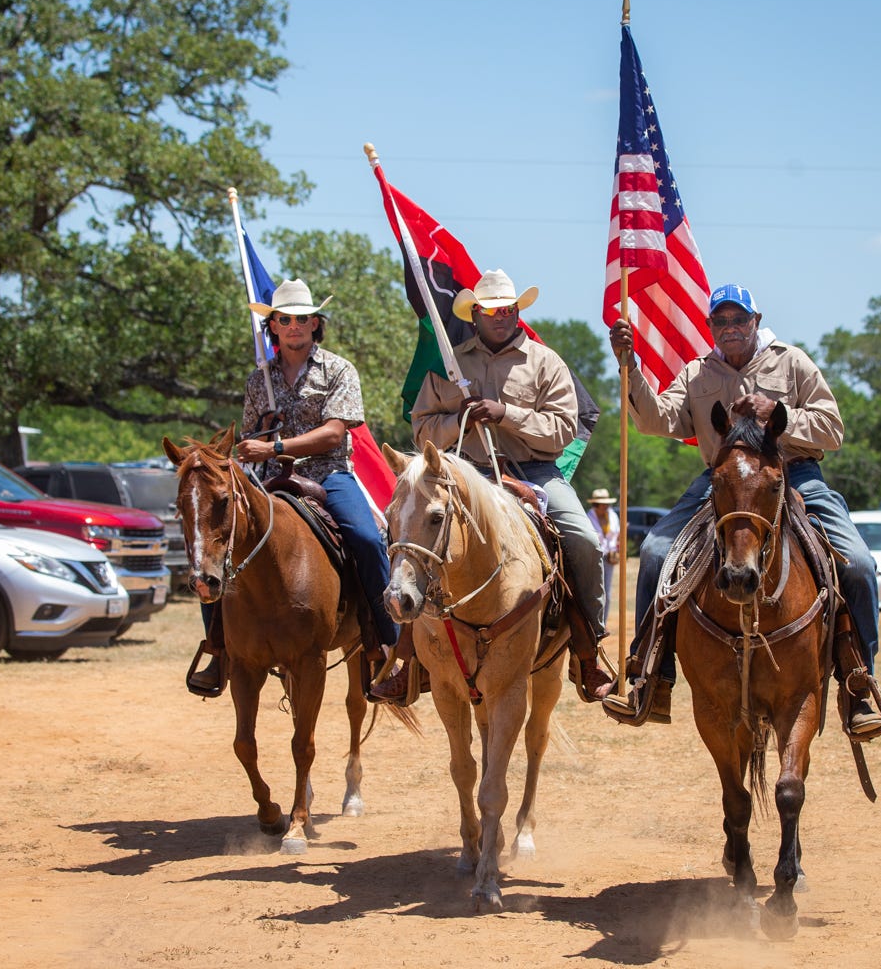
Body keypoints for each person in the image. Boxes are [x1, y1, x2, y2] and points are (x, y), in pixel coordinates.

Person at [608, 283, 881, 733]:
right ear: (710, 326)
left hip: (792, 475)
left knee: (858, 563)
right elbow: (658, 420)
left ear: (756, 321)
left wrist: (776, 410)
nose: (730, 327)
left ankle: (858, 681)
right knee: (655, 552)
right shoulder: (698, 372)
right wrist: (630, 366)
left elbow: (832, 430)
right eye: (721, 321)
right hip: (722, 481)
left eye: (739, 319)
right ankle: (651, 675)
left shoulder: (792, 362)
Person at [397, 268, 615, 702]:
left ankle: (588, 650)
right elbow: (421, 430)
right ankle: (409, 659)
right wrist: (461, 421)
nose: (501, 316)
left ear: (518, 312)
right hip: (465, 473)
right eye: (491, 310)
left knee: (584, 539)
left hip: (534, 472)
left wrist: (505, 414)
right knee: (411, 535)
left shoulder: (545, 362)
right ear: (475, 314)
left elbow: (562, 431)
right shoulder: (450, 363)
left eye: (508, 309)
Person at [186, 278, 399, 697]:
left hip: (328, 475)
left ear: (315, 323)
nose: (294, 326)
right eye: (284, 319)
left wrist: (277, 446)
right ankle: (217, 648)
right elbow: (252, 437)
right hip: (269, 479)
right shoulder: (258, 380)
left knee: (366, 537)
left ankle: (388, 645)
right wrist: (260, 437)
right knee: (216, 535)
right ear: (274, 327)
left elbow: (335, 433)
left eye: (302, 319)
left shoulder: (338, 370)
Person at [586, 488, 620, 626]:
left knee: (607, 594)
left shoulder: (613, 516)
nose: (606, 506)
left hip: (609, 558)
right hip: (594, 558)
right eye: (603, 503)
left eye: (607, 503)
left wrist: (617, 550)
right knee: (596, 591)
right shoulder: (588, 518)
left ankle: (603, 623)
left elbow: (617, 535)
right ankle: (593, 621)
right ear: (596, 504)